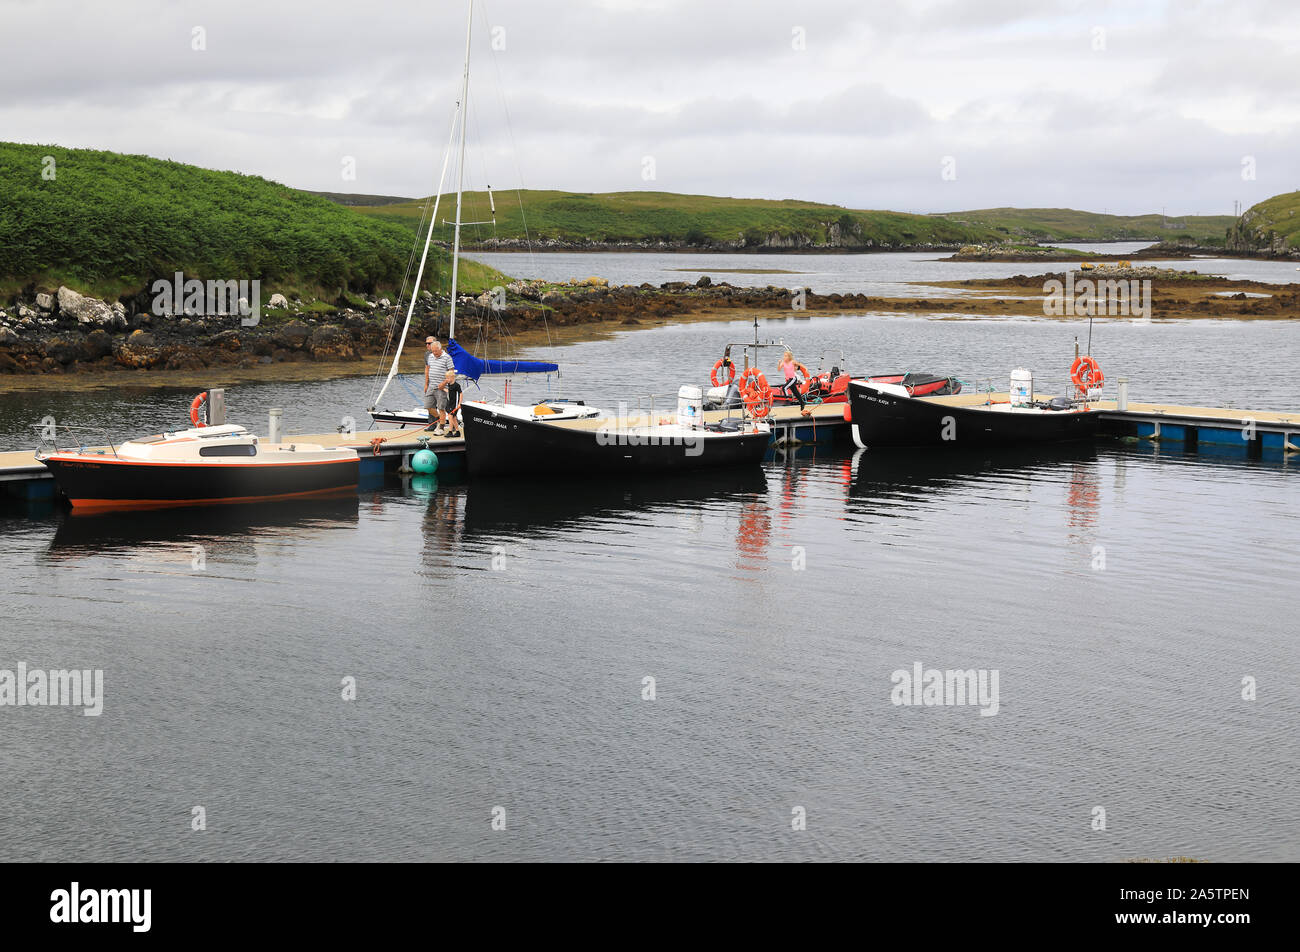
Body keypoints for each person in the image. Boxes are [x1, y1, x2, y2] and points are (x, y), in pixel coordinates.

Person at [424, 337, 455, 433]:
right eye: (433, 351)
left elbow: (452, 373)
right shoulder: (430, 356)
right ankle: (440, 420)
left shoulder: (447, 358)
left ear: (440, 349)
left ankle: (441, 427)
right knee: (428, 406)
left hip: (442, 387)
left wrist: (444, 383)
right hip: (431, 385)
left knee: (441, 408)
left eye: (436, 351)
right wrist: (426, 384)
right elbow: (428, 369)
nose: (434, 353)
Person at [777, 350, 811, 417]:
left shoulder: (792, 362)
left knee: (784, 388)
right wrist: (779, 363)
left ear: (789, 357)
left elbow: (800, 364)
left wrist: (806, 368)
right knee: (796, 393)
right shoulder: (783, 363)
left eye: (786, 356)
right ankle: (802, 403)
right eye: (784, 356)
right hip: (789, 379)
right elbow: (778, 369)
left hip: (793, 379)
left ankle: (787, 400)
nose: (784, 357)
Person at [443, 370, 464, 438]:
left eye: (448, 378)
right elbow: (450, 392)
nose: (446, 380)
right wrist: (443, 389)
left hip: (454, 404)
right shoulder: (449, 384)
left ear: (452, 378)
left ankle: (450, 431)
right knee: (454, 418)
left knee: (450, 416)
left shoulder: (457, 385)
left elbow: (460, 394)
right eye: (446, 378)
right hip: (450, 403)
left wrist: (459, 404)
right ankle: (457, 432)